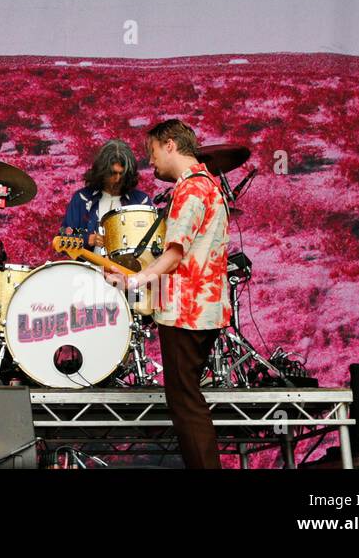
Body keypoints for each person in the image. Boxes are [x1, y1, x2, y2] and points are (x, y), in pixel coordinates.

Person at [129, 119, 231, 469]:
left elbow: (174, 254)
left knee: (185, 402)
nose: (151, 161)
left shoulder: (190, 189)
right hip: (205, 308)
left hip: (185, 310)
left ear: (170, 145)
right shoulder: (210, 185)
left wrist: (138, 278)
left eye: (152, 152)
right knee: (188, 398)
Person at [61, 139, 150, 240]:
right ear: (102, 171)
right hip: (89, 256)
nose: (118, 179)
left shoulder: (141, 202)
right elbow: (66, 231)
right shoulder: (82, 198)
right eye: (113, 173)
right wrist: (88, 239)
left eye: (122, 174)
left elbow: (152, 240)